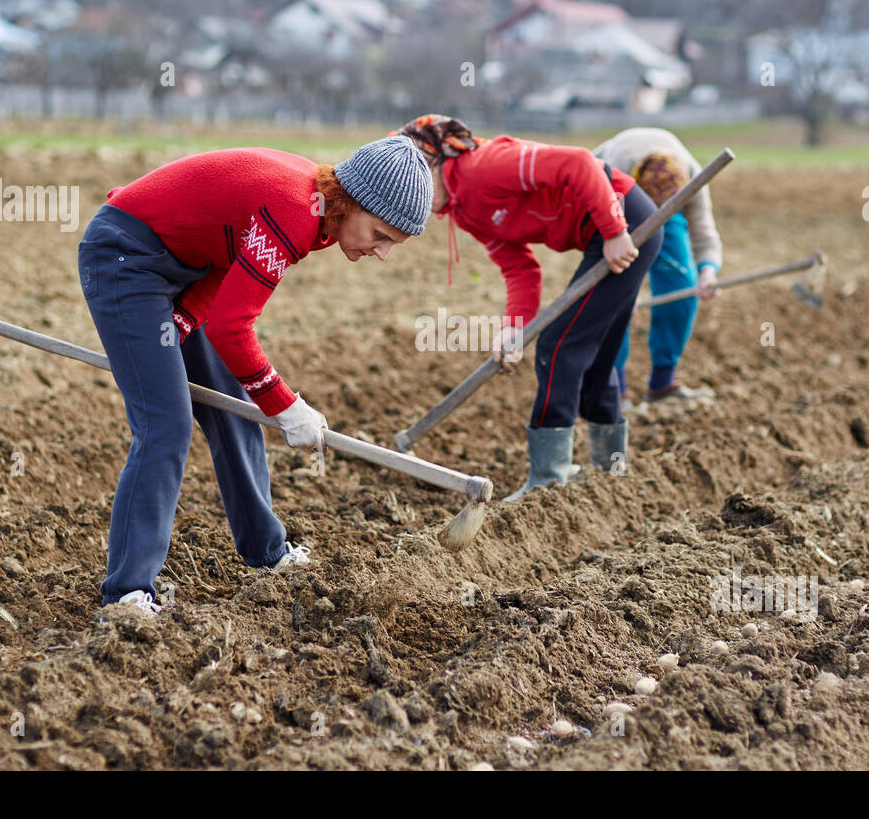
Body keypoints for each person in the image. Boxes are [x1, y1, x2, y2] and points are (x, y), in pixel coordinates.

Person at [77, 136, 433, 612]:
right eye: (381, 236)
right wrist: (286, 405)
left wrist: (183, 321)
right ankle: (125, 592)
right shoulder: (294, 210)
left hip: (186, 269)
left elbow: (224, 263)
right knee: (166, 424)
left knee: (235, 411)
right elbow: (232, 329)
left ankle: (267, 553)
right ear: (355, 201)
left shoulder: (324, 212)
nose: (382, 253)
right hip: (126, 258)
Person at [394, 114, 662, 500]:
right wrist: (513, 329)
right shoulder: (463, 209)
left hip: (628, 222)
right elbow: (520, 268)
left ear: (434, 161)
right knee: (596, 356)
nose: (413, 197)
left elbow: (579, 163)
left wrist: (615, 230)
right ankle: (612, 471)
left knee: (559, 345)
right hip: (606, 235)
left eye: (414, 181)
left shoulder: (482, 168)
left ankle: (549, 477)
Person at [593, 127, 723, 404]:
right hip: (616, 209)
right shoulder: (611, 166)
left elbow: (703, 231)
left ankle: (662, 383)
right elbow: (594, 231)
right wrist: (625, 293)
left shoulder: (693, 178)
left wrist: (708, 272)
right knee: (614, 302)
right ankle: (615, 388)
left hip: (670, 210)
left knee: (683, 288)